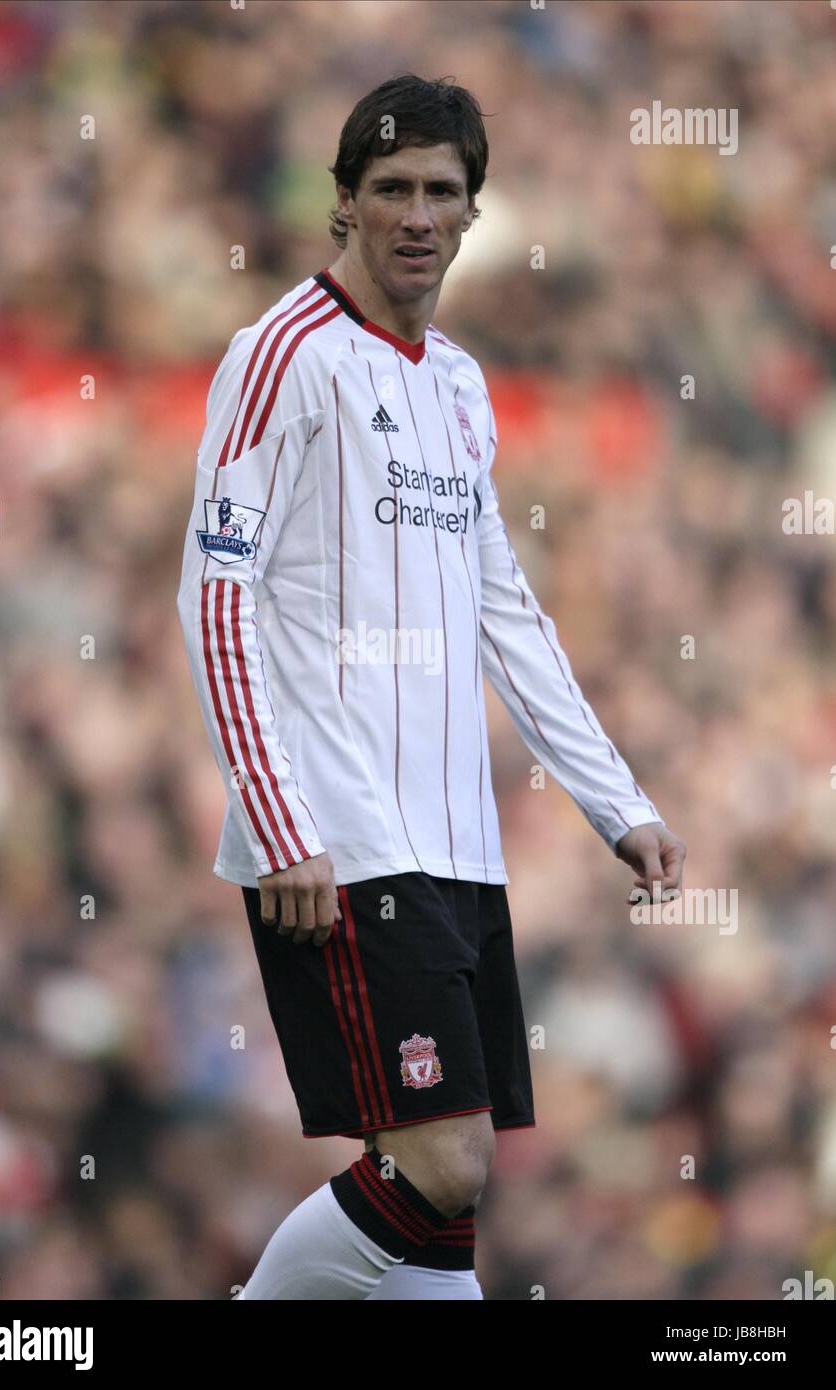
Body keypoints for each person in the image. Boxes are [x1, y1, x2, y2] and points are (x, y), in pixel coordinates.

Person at [176, 74, 686, 1301]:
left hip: (456, 837)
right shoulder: (279, 355)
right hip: (338, 835)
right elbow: (215, 591)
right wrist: (281, 818)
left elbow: (504, 605)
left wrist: (616, 800)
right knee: (445, 1161)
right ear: (341, 207)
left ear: (472, 213)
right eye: (391, 190)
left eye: (441, 192)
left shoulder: (458, 382)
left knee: (442, 1196)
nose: (417, 214)